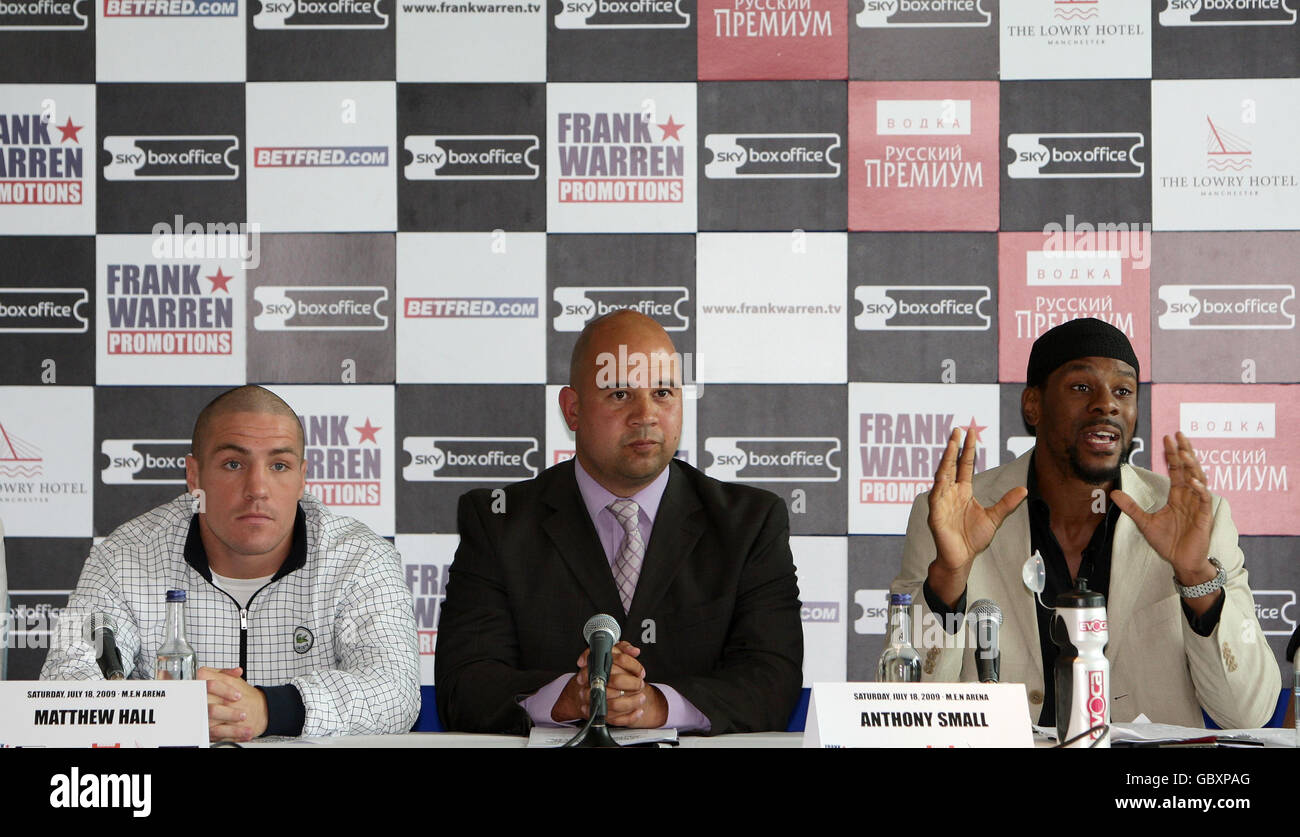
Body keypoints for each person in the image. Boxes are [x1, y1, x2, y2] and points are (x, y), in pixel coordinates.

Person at [893, 318, 1280, 729]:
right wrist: (949, 578)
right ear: (1033, 406)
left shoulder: (1193, 518)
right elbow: (903, 705)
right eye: (1081, 387)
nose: (1107, 404)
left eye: (1123, 391)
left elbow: (1248, 713)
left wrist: (1195, 577)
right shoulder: (954, 514)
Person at [435, 310, 803, 735]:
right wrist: (568, 698)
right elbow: (463, 686)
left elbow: (773, 683)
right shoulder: (498, 523)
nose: (645, 415)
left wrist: (657, 706)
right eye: (620, 394)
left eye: (663, 392)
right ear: (572, 410)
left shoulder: (749, 523)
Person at [42, 386, 420, 740]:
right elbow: (65, 681)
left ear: (303, 478)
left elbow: (396, 691)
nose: (257, 488)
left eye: (279, 466)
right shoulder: (124, 555)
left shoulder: (359, 557)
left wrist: (268, 708)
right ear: (194, 475)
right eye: (234, 464)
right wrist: (168, 712)